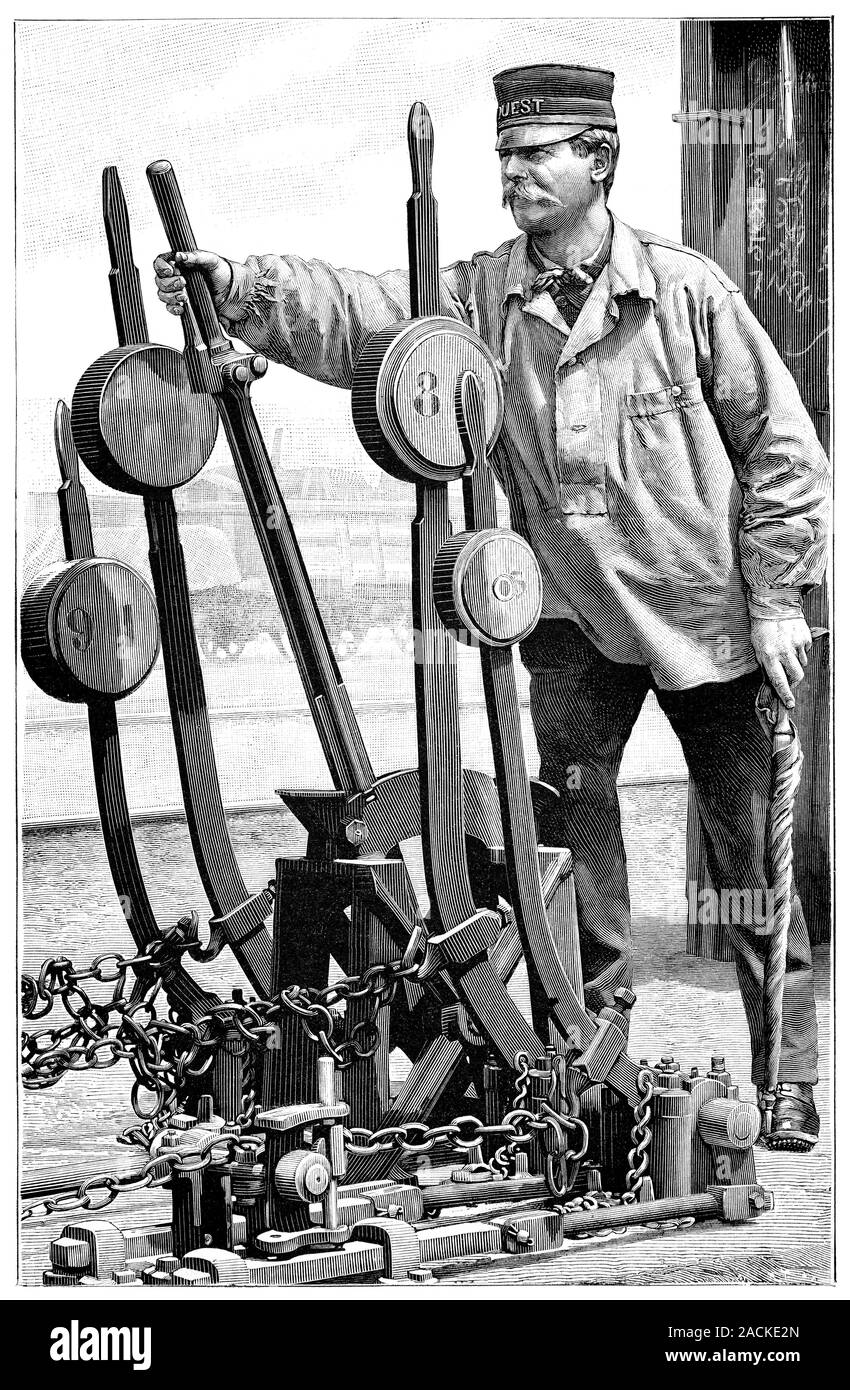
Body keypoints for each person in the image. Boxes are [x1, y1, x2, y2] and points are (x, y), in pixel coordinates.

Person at [154, 64, 830, 1150]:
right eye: (505, 156)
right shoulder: (476, 296)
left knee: (750, 864)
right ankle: (598, 1055)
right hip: (568, 621)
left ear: (599, 160)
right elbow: (364, 314)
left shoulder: (686, 292)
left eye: (537, 154)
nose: (514, 173)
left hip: (711, 620)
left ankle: (785, 1074)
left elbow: (784, 452)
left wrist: (778, 597)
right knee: (575, 855)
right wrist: (241, 286)